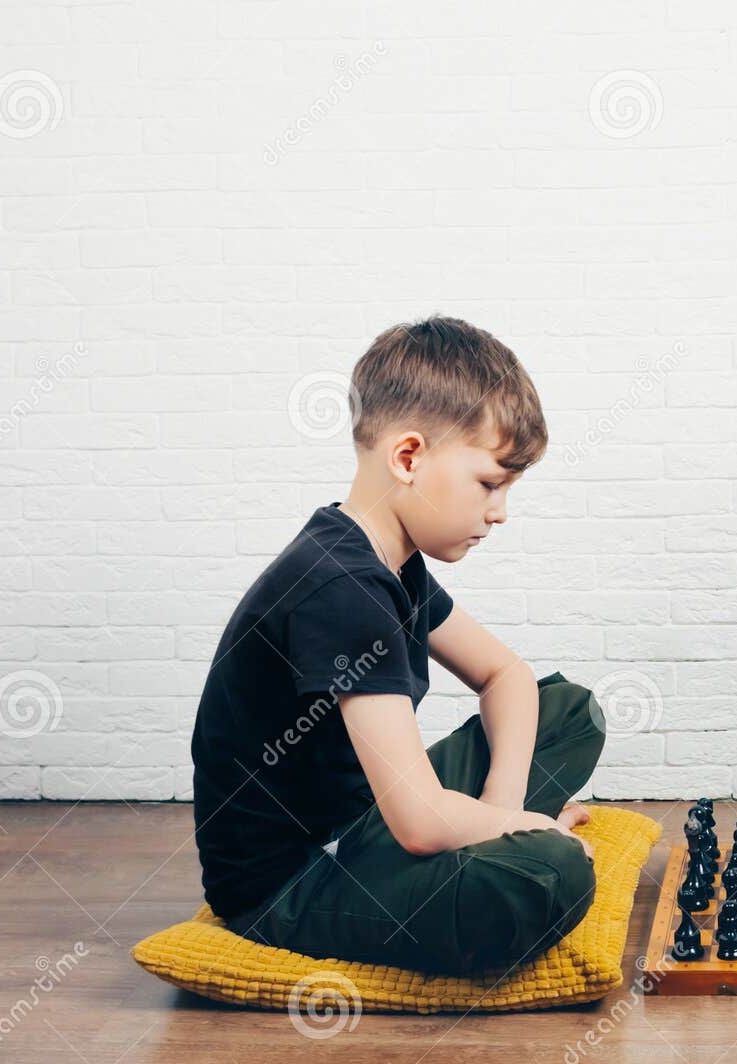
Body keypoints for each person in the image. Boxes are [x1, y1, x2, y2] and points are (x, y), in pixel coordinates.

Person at [190, 316, 605, 974]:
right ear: (409, 458)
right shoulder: (338, 589)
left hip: (370, 825)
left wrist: (501, 810)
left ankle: (498, 833)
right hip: (293, 885)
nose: (500, 512)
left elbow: (506, 675)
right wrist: (530, 832)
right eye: (490, 484)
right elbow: (419, 821)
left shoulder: (391, 560)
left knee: (571, 711)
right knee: (555, 872)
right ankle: (513, 852)